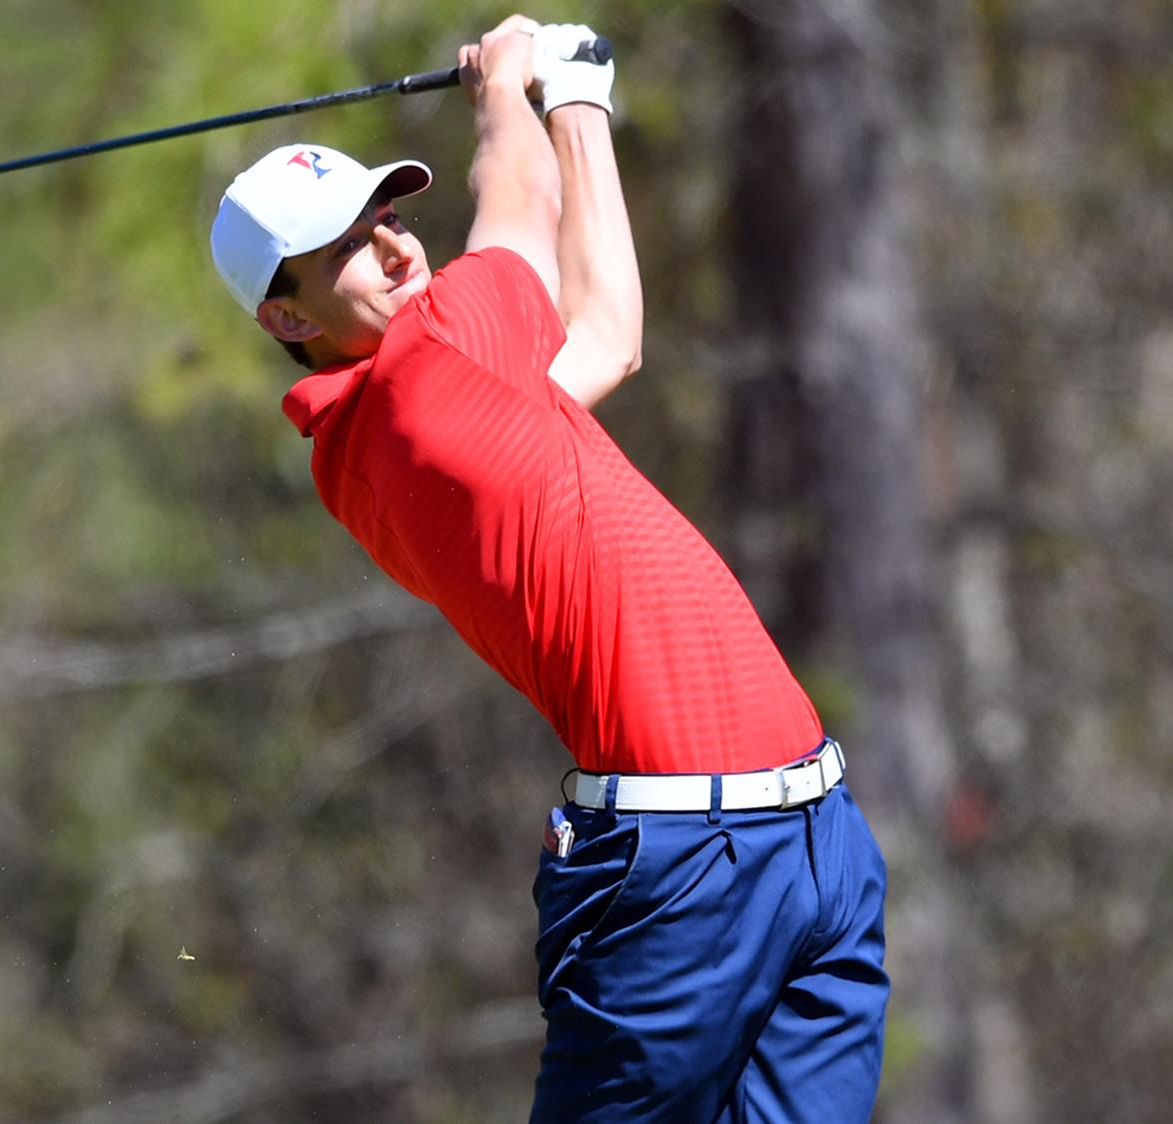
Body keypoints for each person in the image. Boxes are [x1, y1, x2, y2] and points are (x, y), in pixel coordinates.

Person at [208, 15, 888, 1122]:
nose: (392, 247)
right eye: (346, 249)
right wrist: (504, 81)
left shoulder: (419, 414)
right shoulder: (427, 367)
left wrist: (577, 105)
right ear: (286, 315)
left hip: (811, 841)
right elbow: (516, 200)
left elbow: (607, 334)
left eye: (385, 215)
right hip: (682, 869)